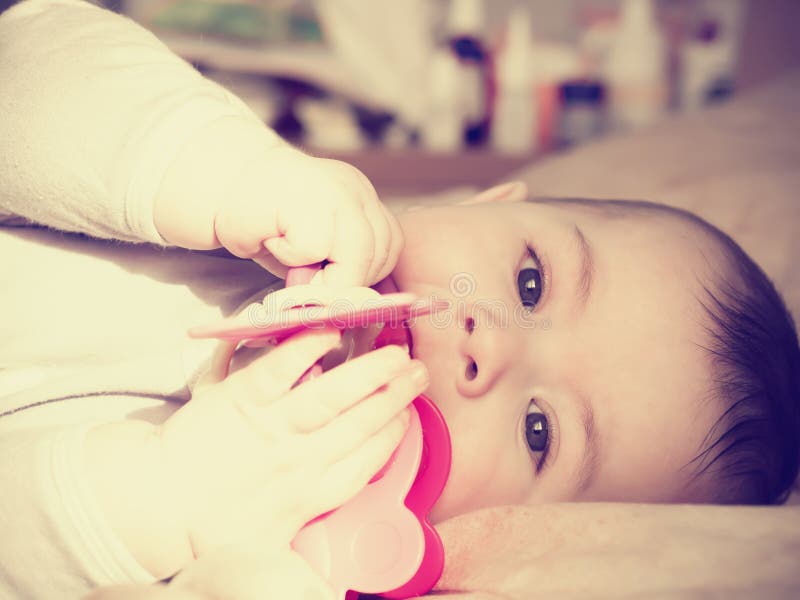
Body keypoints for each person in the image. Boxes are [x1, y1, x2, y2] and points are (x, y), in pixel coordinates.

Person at [1, 1, 798, 599]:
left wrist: (166, 506)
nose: (490, 345)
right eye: (531, 282)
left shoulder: (261, 554)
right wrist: (217, 168)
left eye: (538, 431)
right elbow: (26, 63)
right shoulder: (246, 205)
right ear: (487, 202)